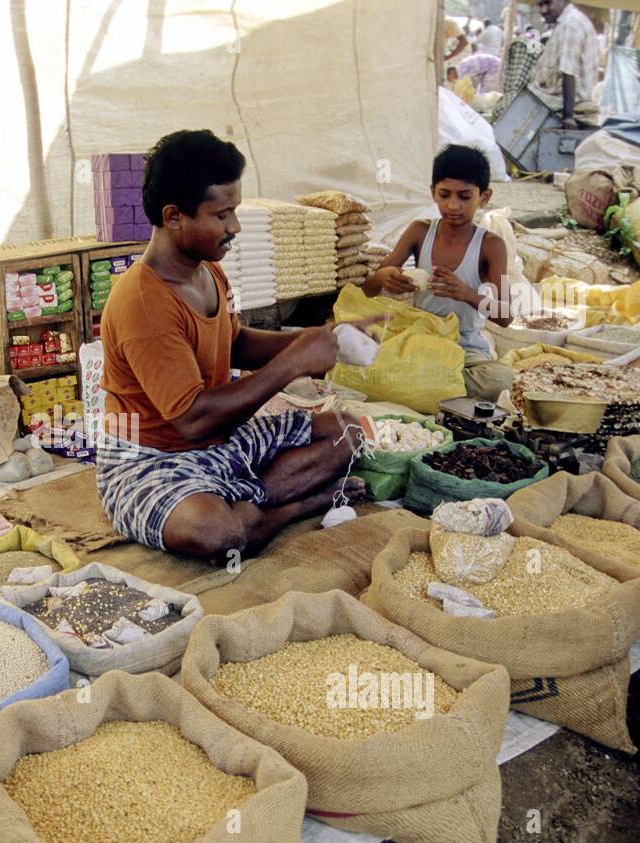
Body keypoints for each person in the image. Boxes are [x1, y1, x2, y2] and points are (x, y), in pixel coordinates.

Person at [95, 130, 377, 560]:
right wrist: (292, 364)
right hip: (151, 459)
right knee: (216, 532)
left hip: (223, 444)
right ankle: (300, 504)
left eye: (236, 211)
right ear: (174, 217)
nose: (235, 228)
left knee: (348, 433)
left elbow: (236, 343)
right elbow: (193, 420)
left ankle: (249, 508)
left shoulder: (208, 270)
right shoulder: (144, 304)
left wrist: (324, 338)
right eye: (222, 215)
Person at [362, 144, 514, 402]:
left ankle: (424, 388)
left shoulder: (491, 245)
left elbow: (505, 316)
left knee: (498, 380)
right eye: (444, 195)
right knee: (353, 353)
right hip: (417, 340)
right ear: (433, 192)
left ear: (484, 197)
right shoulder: (420, 231)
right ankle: (435, 390)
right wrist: (382, 277)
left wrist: (466, 294)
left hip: (463, 348)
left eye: (465, 197)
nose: (453, 205)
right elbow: (369, 289)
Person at [531, 0, 599, 129]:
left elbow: (568, 71)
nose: (544, 10)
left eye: (548, 3)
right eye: (540, 5)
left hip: (567, 106)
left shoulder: (571, 24)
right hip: (561, 102)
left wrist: (568, 116)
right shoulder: (565, 22)